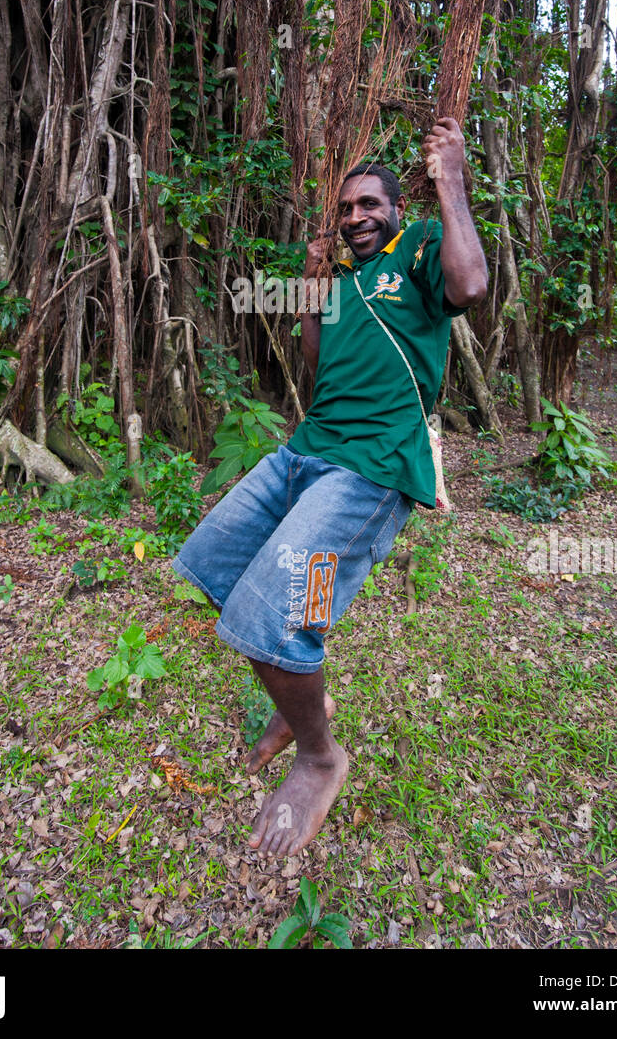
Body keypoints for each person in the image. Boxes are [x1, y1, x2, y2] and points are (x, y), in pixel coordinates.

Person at [172, 117, 488, 857]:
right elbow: (315, 361)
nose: (355, 218)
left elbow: (471, 285)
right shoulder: (344, 281)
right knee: (211, 562)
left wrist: (450, 181)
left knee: (271, 612)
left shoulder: (421, 251)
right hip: (305, 454)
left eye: (369, 205)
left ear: (396, 210)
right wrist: (314, 285)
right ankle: (300, 687)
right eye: (347, 209)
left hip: (373, 468)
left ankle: (319, 755)